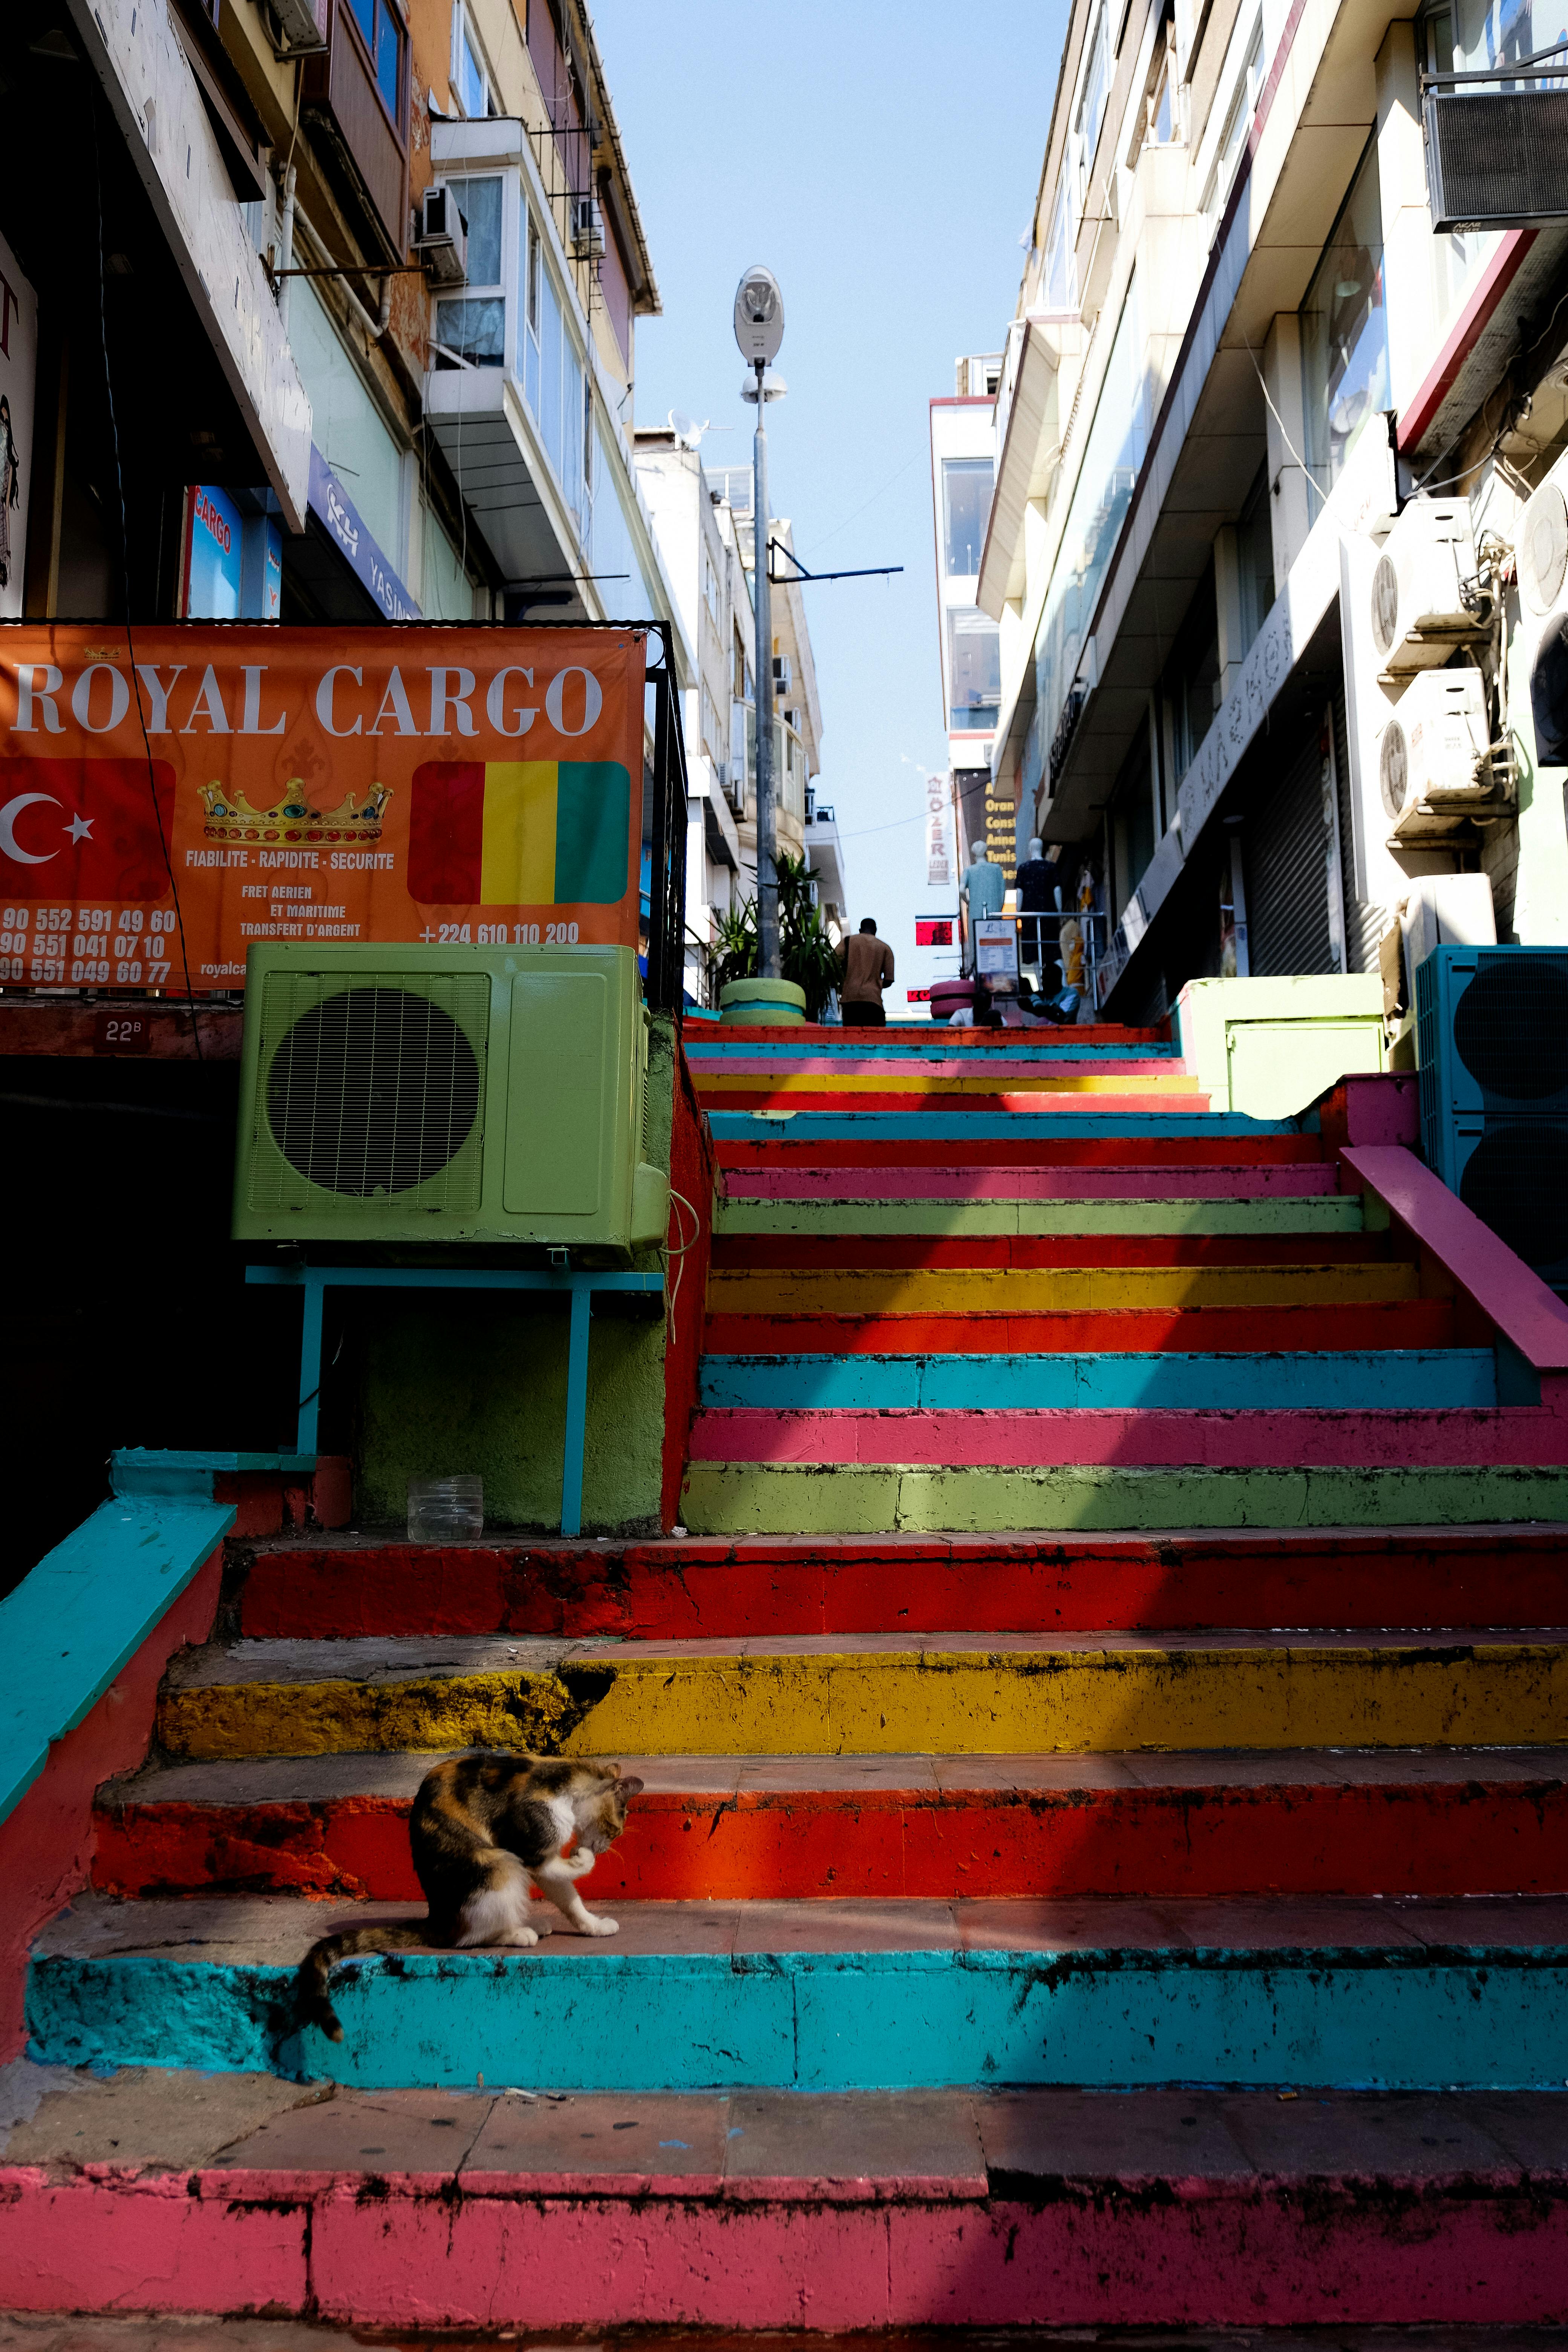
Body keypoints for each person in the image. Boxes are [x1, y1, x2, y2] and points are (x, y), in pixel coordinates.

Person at [958, 838, 1006, 974]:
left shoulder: (969, 871)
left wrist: (969, 902)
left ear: (974, 854)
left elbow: (962, 890)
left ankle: (978, 975)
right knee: (996, 943)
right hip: (994, 911)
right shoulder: (997, 869)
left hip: (976, 912)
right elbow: (1003, 892)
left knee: (977, 945)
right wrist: (999, 906)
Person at [838, 916, 894, 1027]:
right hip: (874, 1002)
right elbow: (889, 980)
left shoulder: (848, 941)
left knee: (852, 1039)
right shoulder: (885, 948)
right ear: (875, 930)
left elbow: (833, 963)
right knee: (875, 1040)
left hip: (850, 999)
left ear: (860, 930)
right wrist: (875, 984)